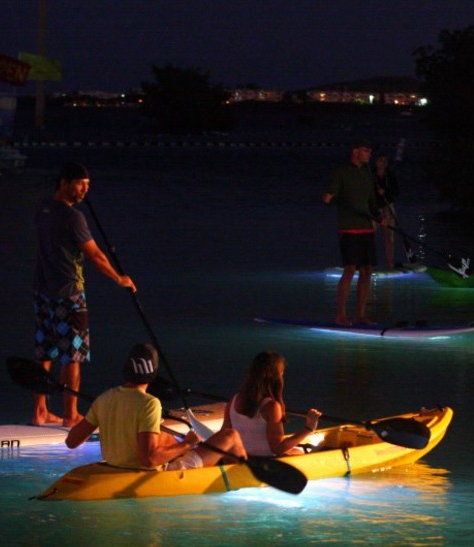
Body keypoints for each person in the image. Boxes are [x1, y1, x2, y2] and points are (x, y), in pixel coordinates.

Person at [32, 161, 137, 427]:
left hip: (43, 292)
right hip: (69, 294)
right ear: (64, 182)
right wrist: (118, 278)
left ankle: (40, 412)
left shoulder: (42, 209)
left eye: (88, 185)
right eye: (80, 184)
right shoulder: (74, 217)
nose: (84, 190)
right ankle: (70, 415)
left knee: (45, 351)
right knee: (72, 355)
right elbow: (96, 256)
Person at [65, 344, 248, 470]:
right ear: (153, 374)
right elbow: (149, 459)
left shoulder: (104, 399)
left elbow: (71, 441)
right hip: (156, 473)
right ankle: (242, 474)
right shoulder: (149, 403)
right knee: (230, 436)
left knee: (165, 437)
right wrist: (187, 444)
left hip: (114, 467)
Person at [322, 139, 382, 326]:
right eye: (366, 150)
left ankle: (360, 315)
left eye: (370, 151)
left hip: (366, 227)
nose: (369, 154)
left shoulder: (367, 173)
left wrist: (379, 216)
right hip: (348, 227)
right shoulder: (342, 171)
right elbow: (327, 198)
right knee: (350, 268)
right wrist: (332, 198)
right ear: (356, 151)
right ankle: (340, 315)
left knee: (367, 270)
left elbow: (372, 202)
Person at [222, 351, 323, 457]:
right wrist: (308, 428)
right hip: (263, 463)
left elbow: (224, 434)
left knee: (296, 451)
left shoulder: (235, 399)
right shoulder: (271, 407)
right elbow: (278, 448)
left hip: (241, 458)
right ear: (277, 376)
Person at [373, 152, 400, 269]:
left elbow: (396, 192)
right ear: (376, 161)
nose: (383, 164)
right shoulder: (370, 174)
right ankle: (368, 264)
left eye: (385, 161)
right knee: (370, 236)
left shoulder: (390, 175)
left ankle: (390, 263)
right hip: (374, 208)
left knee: (389, 236)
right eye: (380, 161)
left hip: (387, 207)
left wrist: (385, 192)